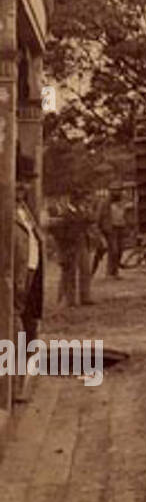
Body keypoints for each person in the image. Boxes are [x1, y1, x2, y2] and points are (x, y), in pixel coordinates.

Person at [13, 158, 44, 400]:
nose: (22, 186)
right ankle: (11, 388)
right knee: (15, 331)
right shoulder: (6, 211)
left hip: (32, 273)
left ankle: (22, 383)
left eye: (25, 182)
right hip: (16, 278)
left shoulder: (25, 209)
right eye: (18, 181)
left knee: (31, 327)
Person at [97, 188, 130, 279]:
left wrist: (126, 225)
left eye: (118, 190)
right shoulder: (104, 203)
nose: (117, 192)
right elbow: (99, 216)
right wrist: (99, 230)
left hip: (120, 227)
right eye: (115, 190)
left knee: (120, 250)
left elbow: (125, 214)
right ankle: (109, 272)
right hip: (110, 229)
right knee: (113, 250)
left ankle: (115, 272)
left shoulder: (122, 202)